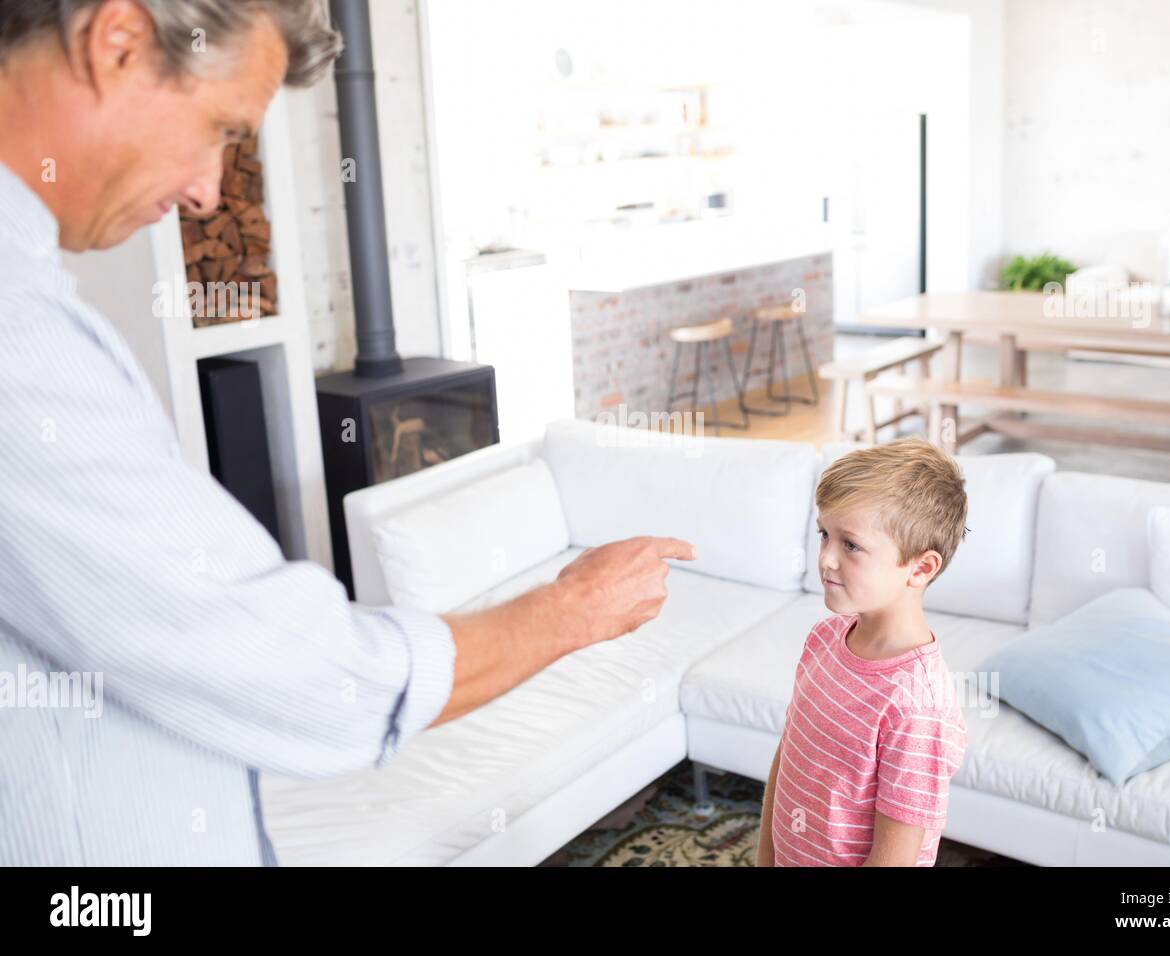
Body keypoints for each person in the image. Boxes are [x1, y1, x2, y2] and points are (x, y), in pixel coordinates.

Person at [0, 0, 693, 866]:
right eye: (220, 130)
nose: (207, 192)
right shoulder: (18, 335)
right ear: (120, 43)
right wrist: (570, 610)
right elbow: (288, 669)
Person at [757, 438, 969, 866]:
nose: (826, 559)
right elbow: (788, 757)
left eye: (850, 545)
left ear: (920, 568)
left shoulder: (917, 706)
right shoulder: (823, 639)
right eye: (824, 535)